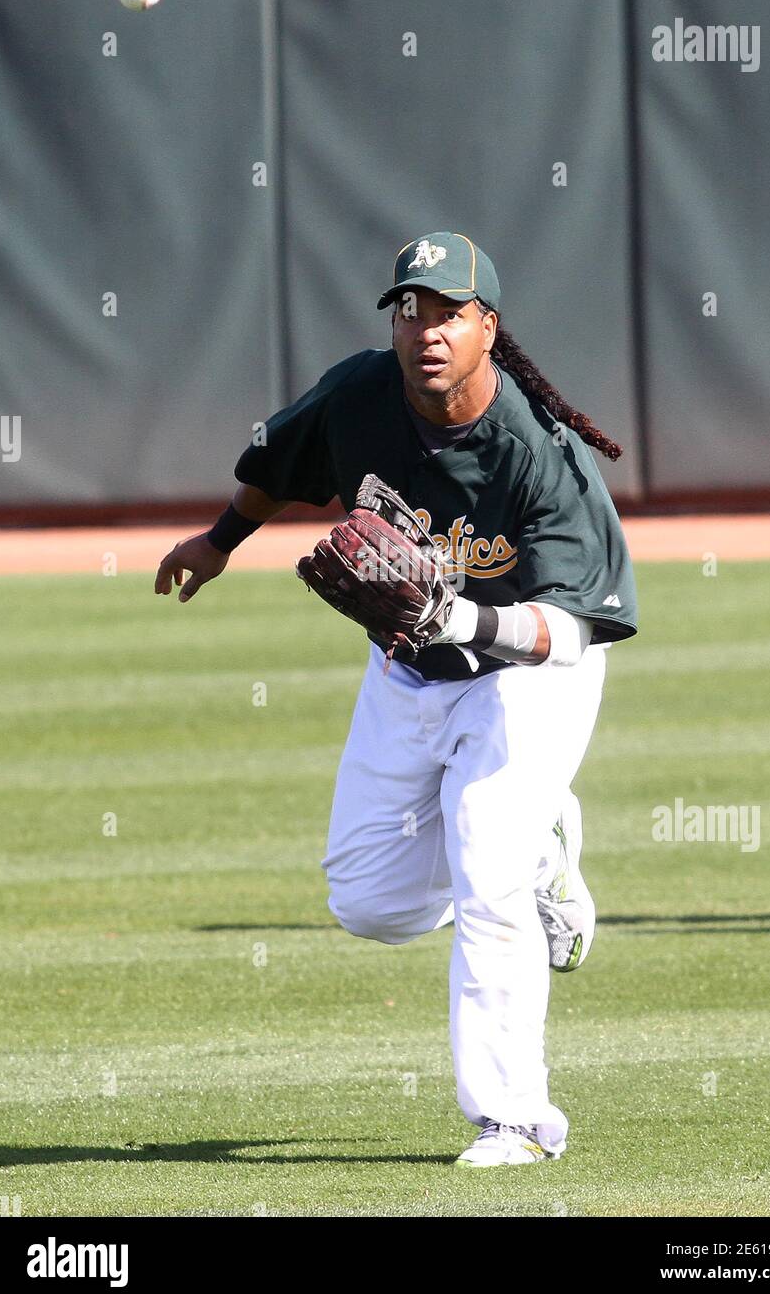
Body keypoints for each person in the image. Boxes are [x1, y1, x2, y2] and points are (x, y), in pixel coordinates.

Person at [155, 231, 638, 1167]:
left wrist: (461, 619)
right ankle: (543, 847)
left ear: (487, 328)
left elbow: (575, 632)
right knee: (369, 904)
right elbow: (276, 463)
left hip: (525, 679)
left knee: (485, 871)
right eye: (410, 307)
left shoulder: (543, 455)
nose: (425, 329)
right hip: (408, 670)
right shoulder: (360, 392)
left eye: (449, 311)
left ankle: (516, 1122)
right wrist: (216, 544)